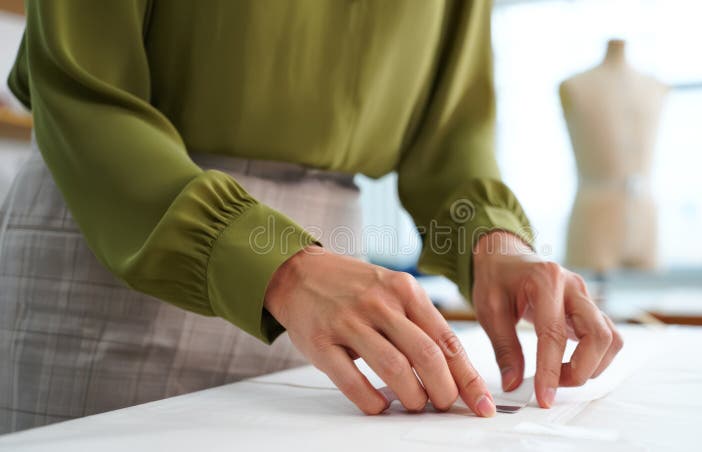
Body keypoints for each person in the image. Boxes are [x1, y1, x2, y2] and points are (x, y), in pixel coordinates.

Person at [0, 0, 622, 433]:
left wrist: (494, 239)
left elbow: (451, 136)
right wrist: (281, 268)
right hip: (120, 243)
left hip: (335, 302)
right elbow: (80, 91)